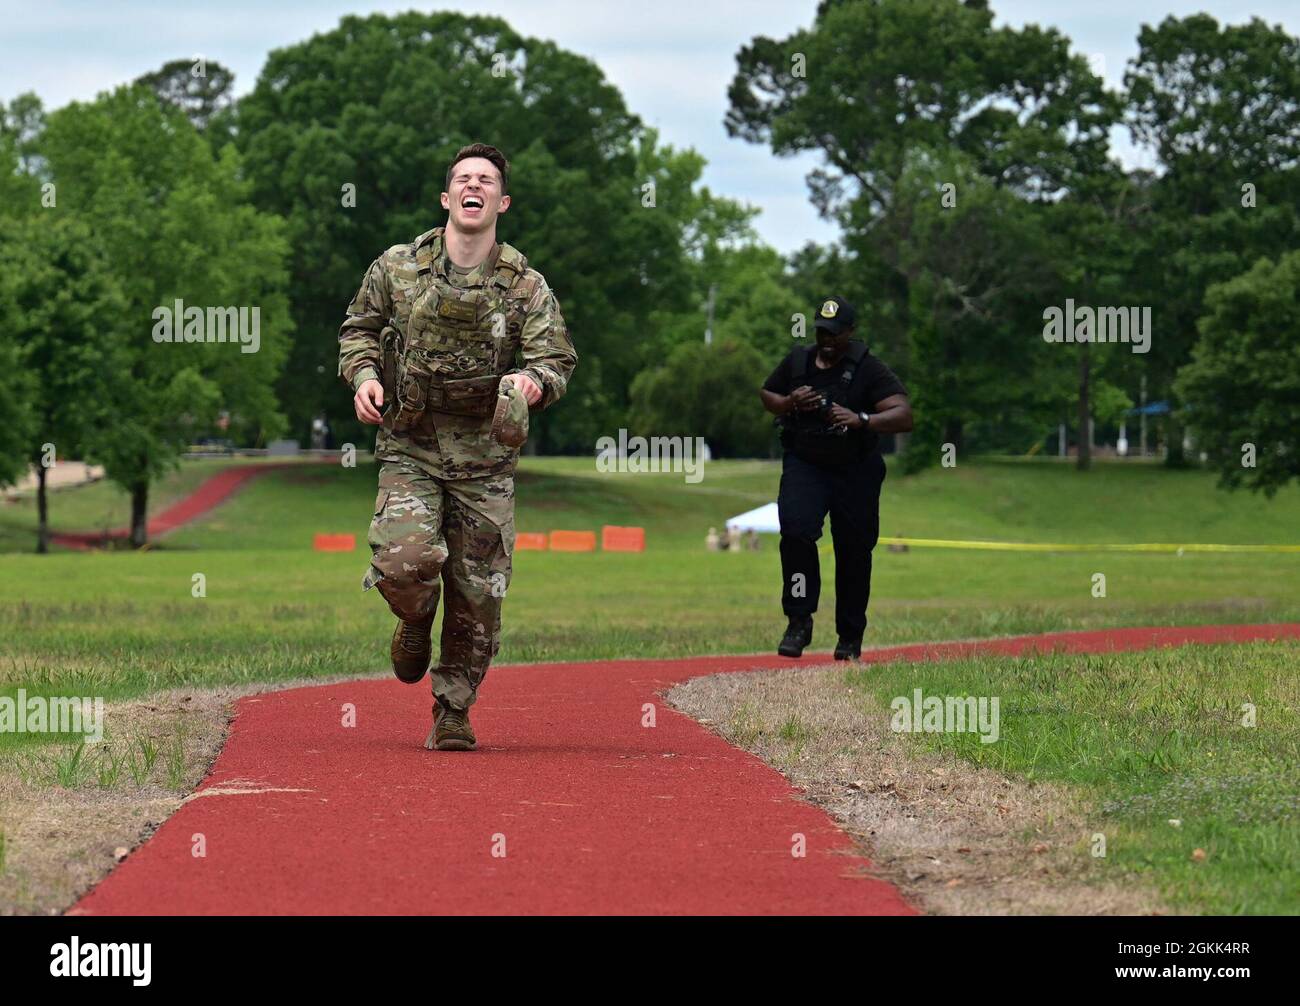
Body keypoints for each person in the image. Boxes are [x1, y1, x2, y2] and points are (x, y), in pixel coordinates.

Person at [338, 143, 577, 750]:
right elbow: (358, 329)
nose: (475, 187)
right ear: (448, 199)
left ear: (502, 201)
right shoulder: (396, 267)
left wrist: (532, 381)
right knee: (405, 560)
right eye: (464, 180)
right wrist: (365, 377)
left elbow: (555, 359)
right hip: (410, 445)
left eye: (487, 181)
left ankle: (452, 710)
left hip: (484, 462)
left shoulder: (526, 285)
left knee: (479, 595)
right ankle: (414, 618)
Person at [758, 296, 912, 660]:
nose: (827, 339)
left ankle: (849, 635)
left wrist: (862, 419)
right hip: (805, 463)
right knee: (795, 532)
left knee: (854, 551)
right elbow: (768, 393)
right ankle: (799, 620)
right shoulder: (797, 362)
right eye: (822, 332)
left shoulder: (869, 369)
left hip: (855, 470)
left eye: (835, 333)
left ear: (850, 333)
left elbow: (903, 414)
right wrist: (788, 402)